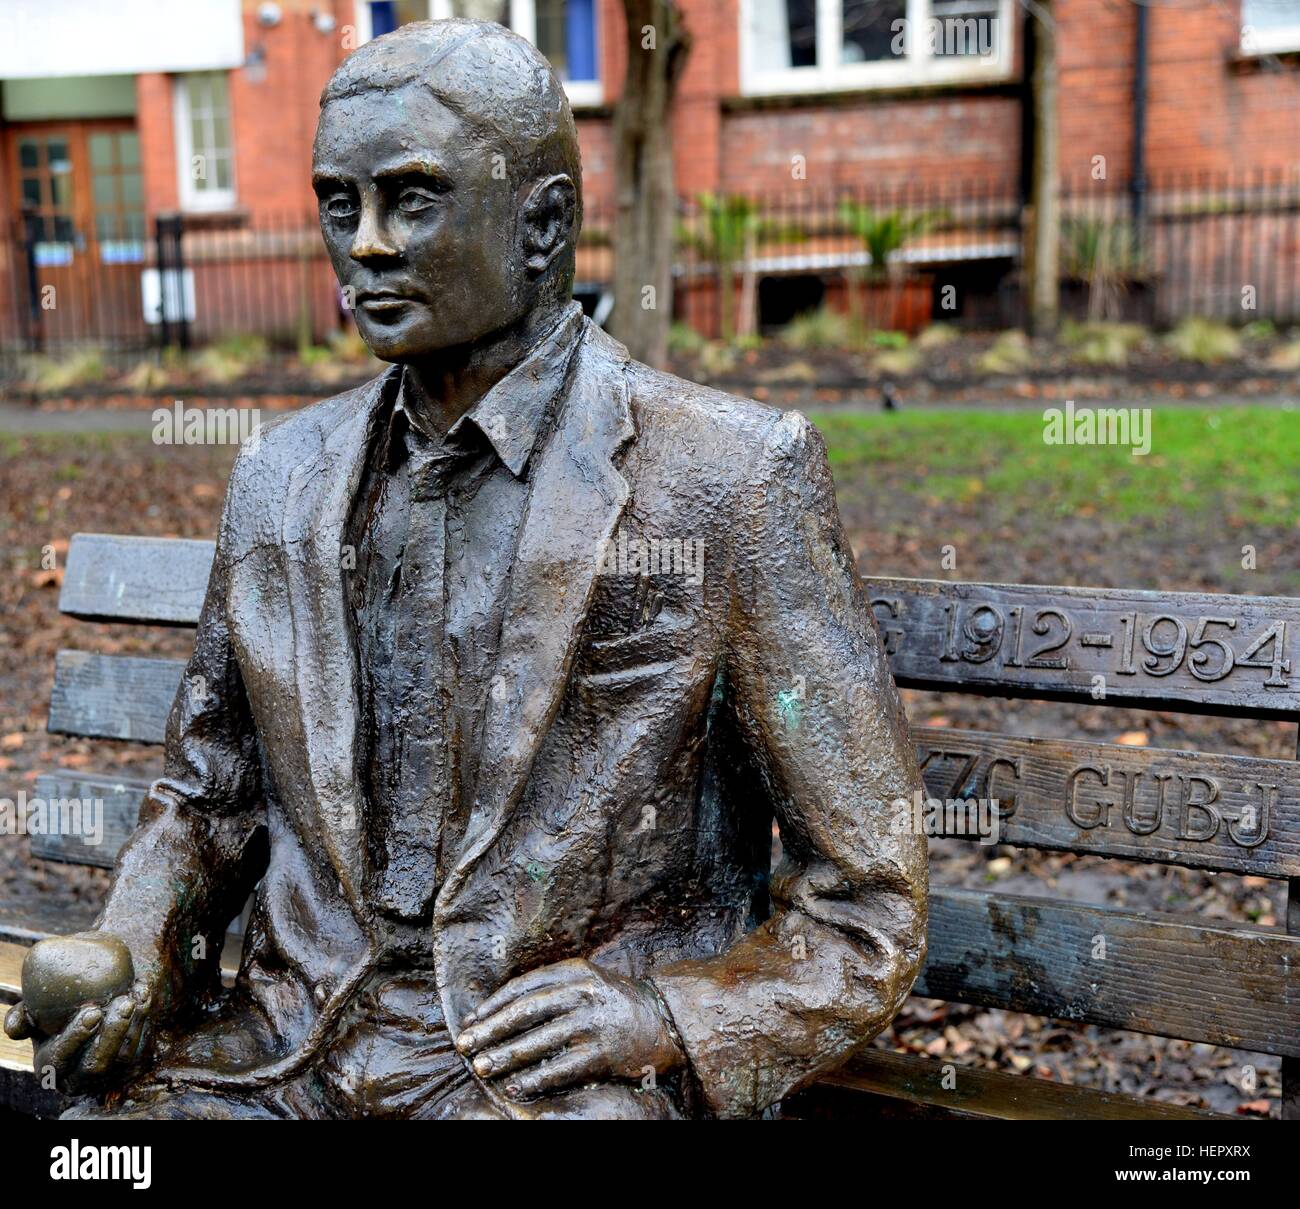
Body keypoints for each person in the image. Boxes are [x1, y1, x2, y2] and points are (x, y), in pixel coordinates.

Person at [6, 18, 926, 1120]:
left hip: (541, 1082)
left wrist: (668, 1016)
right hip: (287, 1050)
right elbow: (208, 797)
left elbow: (867, 900)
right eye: (339, 205)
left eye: (413, 199)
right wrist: (134, 942)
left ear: (541, 225)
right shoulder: (281, 477)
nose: (368, 245)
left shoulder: (729, 477)